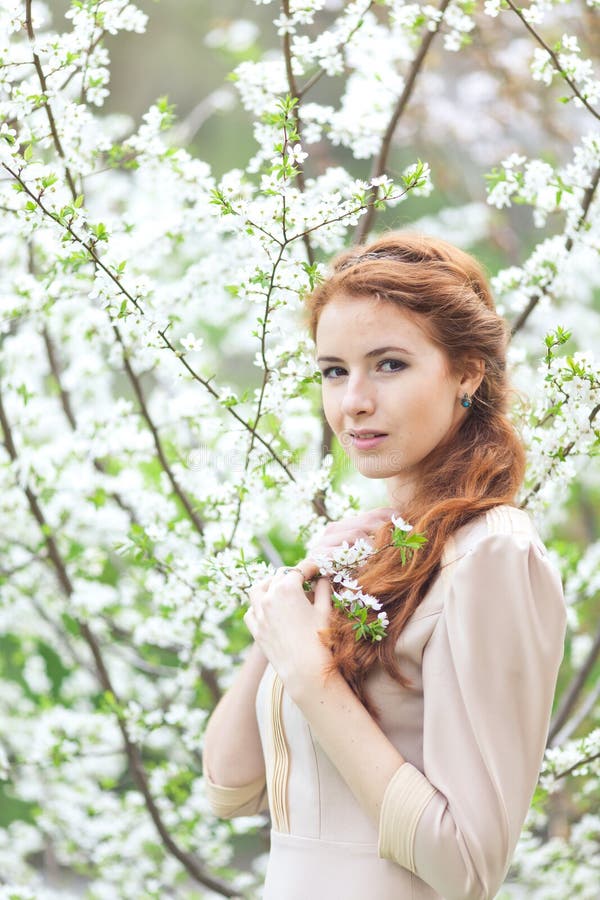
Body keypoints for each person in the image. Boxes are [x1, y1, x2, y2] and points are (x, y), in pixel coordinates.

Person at [202, 233, 567, 900]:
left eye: (390, 364)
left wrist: (314, 678)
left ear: (467, 373)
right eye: (333, 370)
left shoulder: (493, 555)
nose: (354, 401)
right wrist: (291, 608)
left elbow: (467, 866)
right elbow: (231, 787)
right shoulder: (369, 552)